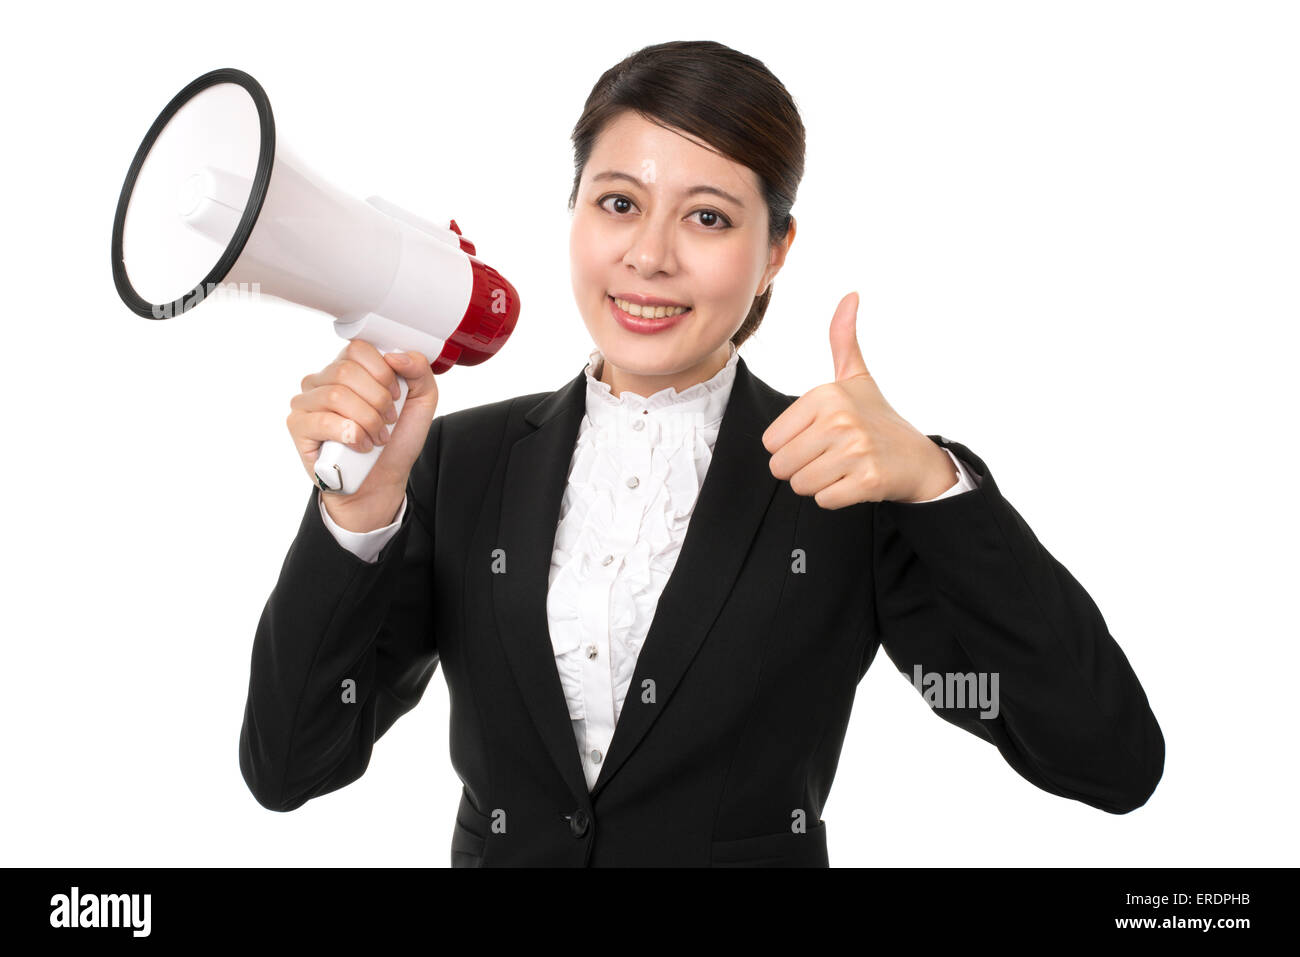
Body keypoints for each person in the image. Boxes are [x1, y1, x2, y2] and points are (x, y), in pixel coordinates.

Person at [240, 40, 1164, 867]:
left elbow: (1105, 755)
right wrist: (356, 517)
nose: (649, 255)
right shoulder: (458, 462)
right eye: (618, 203)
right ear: (573, 212)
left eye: (709, 218)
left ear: (775, 252)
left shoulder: (844, 479)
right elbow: (289, 765)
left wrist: (937, 485)